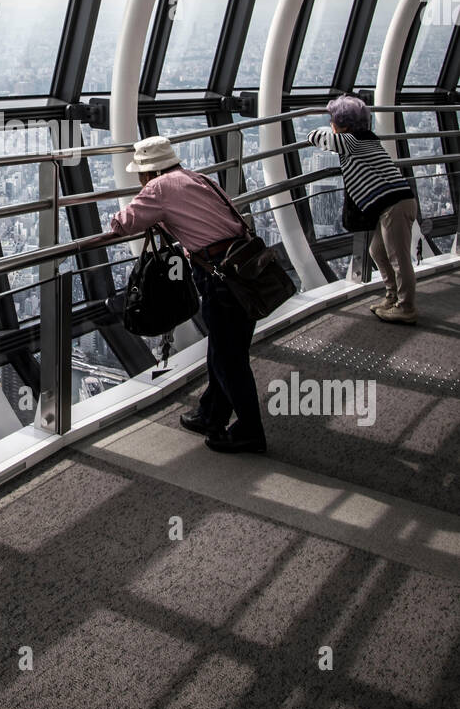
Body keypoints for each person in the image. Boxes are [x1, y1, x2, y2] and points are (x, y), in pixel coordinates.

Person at [105, 136, 267, 455]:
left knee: (229, 358)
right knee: (224, 349)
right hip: (243, 267)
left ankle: (250, 430)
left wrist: (148, 206)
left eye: (140, 173)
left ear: (149, 171)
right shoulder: (199, 178)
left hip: (220, 276)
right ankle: (211, 414)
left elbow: (121, 224)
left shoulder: (158, 188)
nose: (139, 179)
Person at [307, 95, 418, 324]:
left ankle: (406, 307)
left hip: (394, 206)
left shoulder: (351, 141)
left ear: (343, 124)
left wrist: (324, 130)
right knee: (377, 251)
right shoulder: (368, 140)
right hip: (391, 205)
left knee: (398, 259)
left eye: (333, 120)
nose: (331, 124)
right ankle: (392, 297)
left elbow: (315, 137)